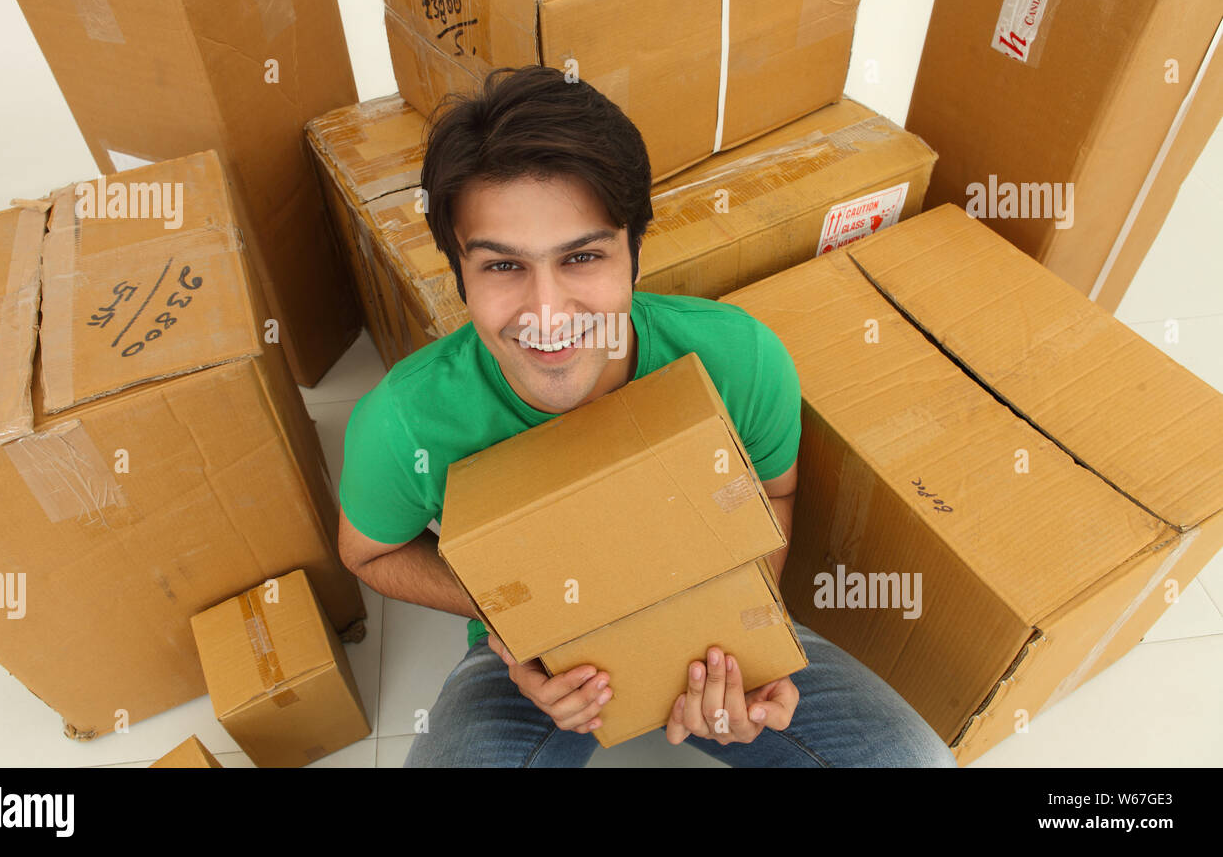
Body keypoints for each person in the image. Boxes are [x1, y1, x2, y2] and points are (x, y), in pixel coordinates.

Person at [337, 65, 955, 768]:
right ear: (459, 275)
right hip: (533, 656)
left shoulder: (738, 358)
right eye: (503, 268)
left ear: (635, 252)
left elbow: (775, 493)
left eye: (582, 257)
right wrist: (517, 621)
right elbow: (369, 554)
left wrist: (746, 632)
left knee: (912, 763)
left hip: (713, 629)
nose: (547, 313)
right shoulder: (404, 421)